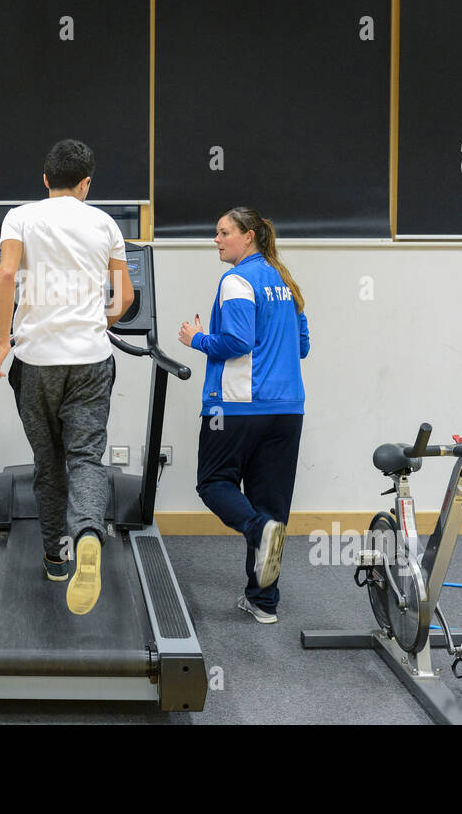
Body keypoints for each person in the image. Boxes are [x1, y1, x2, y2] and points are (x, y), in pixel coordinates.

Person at [0, 139, 134, 616]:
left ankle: (56, 556)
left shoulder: (20, 216)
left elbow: (6, 275)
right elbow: (125, 297)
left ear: (45, 179)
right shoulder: (106, 224)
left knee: (48, 463)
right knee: (87, 456)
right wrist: (97, 322)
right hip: (91, 359)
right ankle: (89, 533)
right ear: (86, 183)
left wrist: (5, 339)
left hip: (36, 361)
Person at [178, 207, 309, 624]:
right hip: (286, 411)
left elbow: (235, 342)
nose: (216, 240)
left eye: (223, 233)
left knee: (213, 482)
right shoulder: (286, 284)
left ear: (248, 236)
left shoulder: (236, 280)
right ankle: (264, 603)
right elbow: (301, 347)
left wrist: (196, 338)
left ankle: (256, 530)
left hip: (233, 406)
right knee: (271, 502)